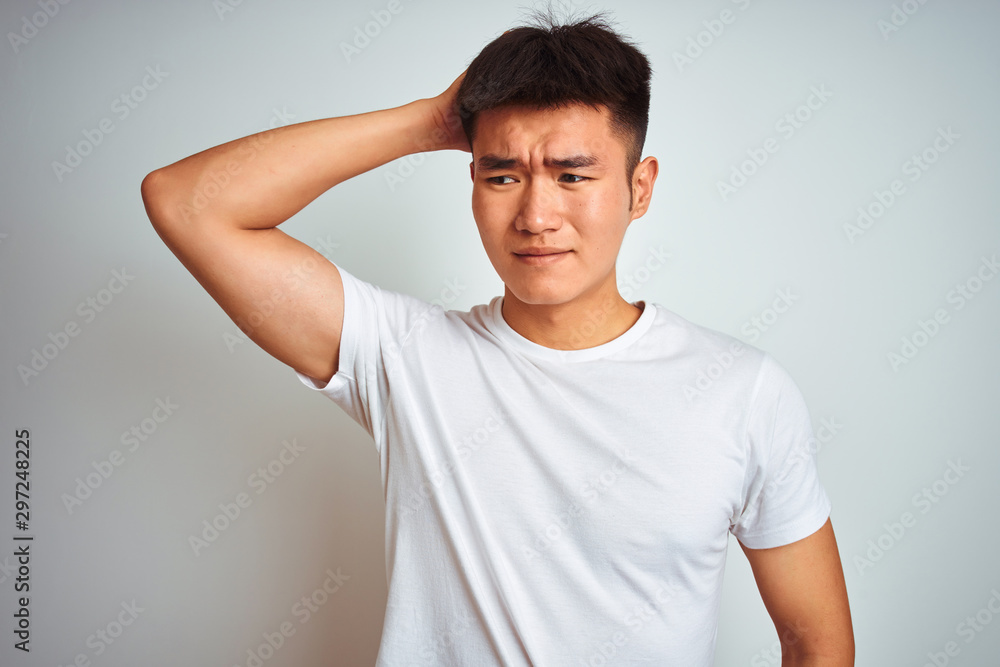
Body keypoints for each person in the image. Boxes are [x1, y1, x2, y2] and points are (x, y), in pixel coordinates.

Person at [141, 12, 854, 666]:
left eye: (573, 175)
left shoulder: (741, 390)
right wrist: (428, 121)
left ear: (641, 189)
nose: (537, 215)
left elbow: (815, 639)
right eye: (503, 174)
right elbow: (187, 202)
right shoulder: (403, 356)